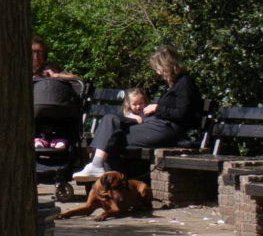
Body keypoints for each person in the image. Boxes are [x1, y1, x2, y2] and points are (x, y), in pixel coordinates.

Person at [74, 44, 199, 179]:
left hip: (166, 129)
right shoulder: (174, 84)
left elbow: (183, 114)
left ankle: (103, 173)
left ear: (167, 65)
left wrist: (157, 108)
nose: (158, 73)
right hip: (154, 123)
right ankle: (100, 170)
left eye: (159, 69)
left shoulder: (185, 83)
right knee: (110, 120)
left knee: (111, 138)